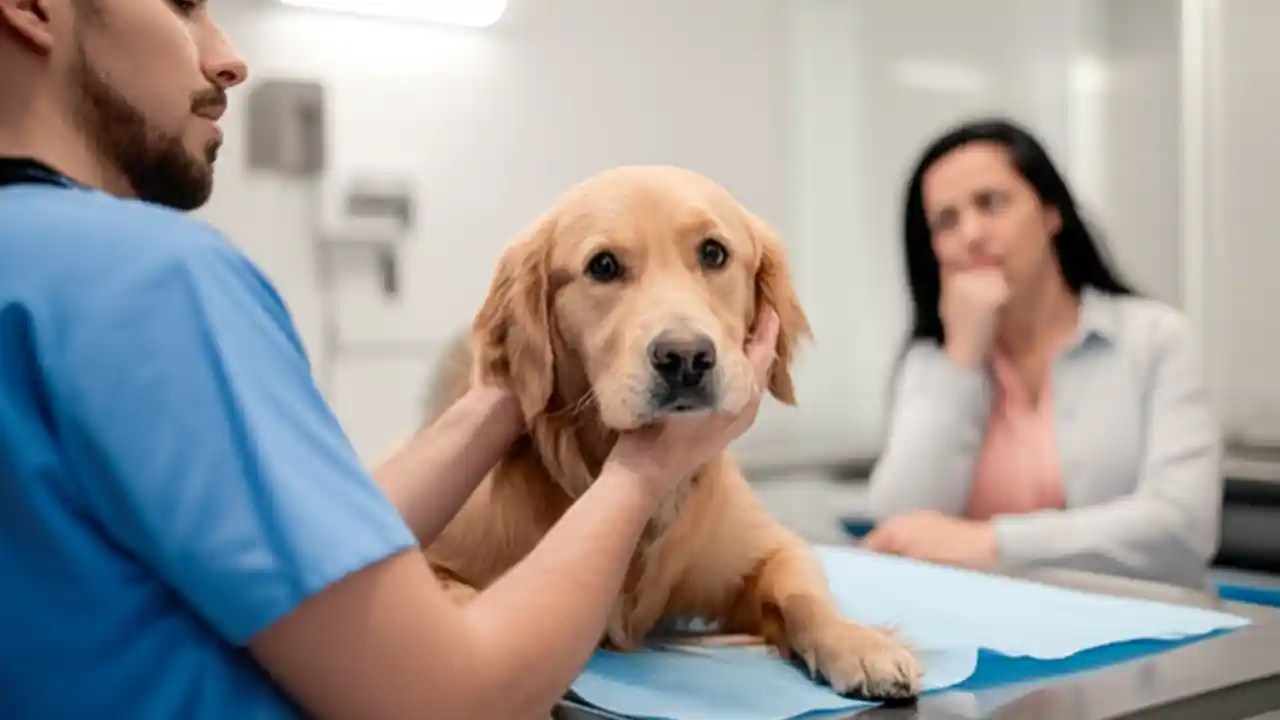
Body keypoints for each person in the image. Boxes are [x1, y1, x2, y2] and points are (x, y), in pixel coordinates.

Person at [0, 1, 779, 718]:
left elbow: (319, 556)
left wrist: (508, 392)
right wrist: (643, 473)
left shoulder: (29, 262)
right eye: (182, 4)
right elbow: (454, 700)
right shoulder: (152, 279)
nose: (230, 57)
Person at [862, 117, 1223, 590]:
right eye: (946, 221)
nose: (970, 234)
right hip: (996, 637)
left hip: (1150, 638)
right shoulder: (934, 362)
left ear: (1051, 211)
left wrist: (991, 543)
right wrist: (963, 357)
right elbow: (902, 528)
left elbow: (1182, 527)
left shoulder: (1156, 339)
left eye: (991, 203)